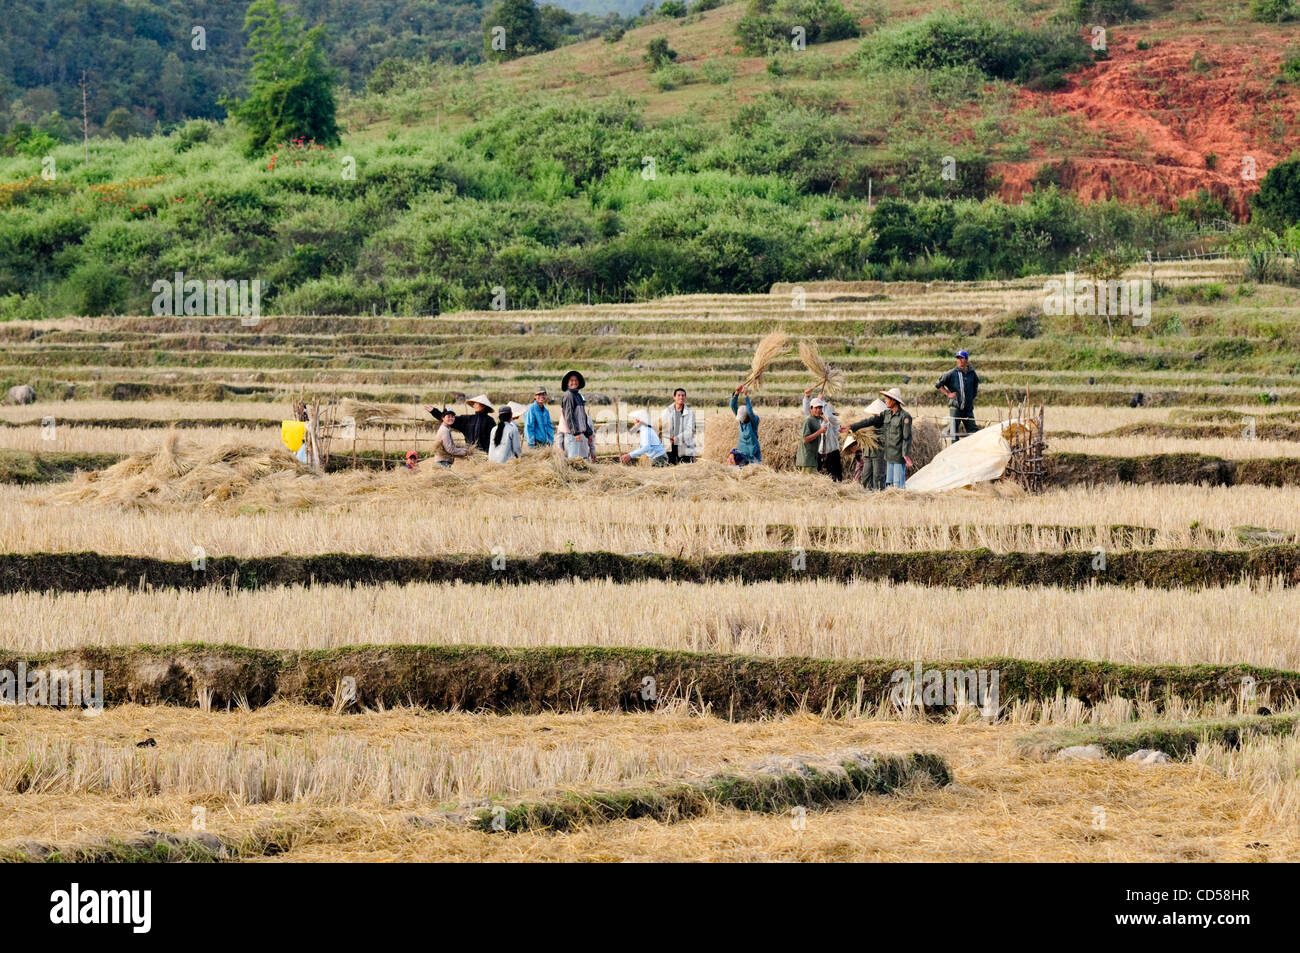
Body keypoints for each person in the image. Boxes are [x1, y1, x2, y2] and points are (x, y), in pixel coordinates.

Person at [843, 388, 912, 489]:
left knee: (895, 482)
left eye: (887, 398)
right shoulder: (886, 414)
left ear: (893, 400)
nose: (885, 400)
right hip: (887, 455)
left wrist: (905, 454)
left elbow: (906, 437)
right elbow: (870, 421)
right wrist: (852, 426)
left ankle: (895, 499)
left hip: (895, 455)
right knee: (888, 482)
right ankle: (879, 498)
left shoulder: (904, 416)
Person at [845, 398, 888, 491]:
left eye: (876, 413)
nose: (874, 415)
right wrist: (852, 428)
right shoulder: (872, 421)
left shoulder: (885, 423)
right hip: (868, 453)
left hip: (878, 454)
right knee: (865, 475)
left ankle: (879, 494)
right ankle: (865, 493)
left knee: (878, 476)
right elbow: (865, 423)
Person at [426, 394, 495, 452]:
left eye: (477, 403)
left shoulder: (490, 421)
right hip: (471, 453)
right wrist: (434, 411)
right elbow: (448, 420)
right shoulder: (467, 419)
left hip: (486, 454)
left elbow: (493, 438)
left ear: (483, 406)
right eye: (474, 403)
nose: (474, 405)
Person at [936, 350, 979, 441]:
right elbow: (938, 384)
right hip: (955, 408)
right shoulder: (952, 373)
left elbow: (975, 385)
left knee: (973, 433)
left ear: (966, 360)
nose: (959, 360)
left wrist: (971, 397)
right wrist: (948, 393)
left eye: (961, 358)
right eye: (958, 358)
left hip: (968, 409)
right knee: (954, 434)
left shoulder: (972, 373)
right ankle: (954, 453)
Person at [802, 388, 842, 481]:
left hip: (832, 453)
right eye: (818, 408)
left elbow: (828, 417)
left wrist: (821, 402)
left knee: (836, 479)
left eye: (821, 409)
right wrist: (807, 397)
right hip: (819, 453)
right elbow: (807, 411)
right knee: (817, 479)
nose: (820, 411)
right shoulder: (814, 421)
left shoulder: (833, 421)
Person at [557, 370, 596, 460]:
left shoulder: (578, 396)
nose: (574, 382)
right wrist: (575, 433)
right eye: (571, 380)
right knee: (574, 462)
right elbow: (569, 417)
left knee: (583, 462)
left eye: (576, 380)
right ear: (567, 383)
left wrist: (588, 434)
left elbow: (583, 418)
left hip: (580, 436)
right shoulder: (568, 395)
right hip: (573, 437)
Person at [660, 388, 696, 464]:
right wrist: (670, 437)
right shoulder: (666, 411)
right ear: (674, 397)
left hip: (684, 444)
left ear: (685, 398)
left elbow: (690, 431)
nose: (681, 397)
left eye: (683, 395)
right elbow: (664, 427)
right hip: (669, 444)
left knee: (686, 466)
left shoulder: (690, 413)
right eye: (678, 395)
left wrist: (677, 438)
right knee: (669, 465)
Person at [798, 396, 830, 473]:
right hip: (807, 459)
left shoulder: (817, 420)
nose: (818, 410)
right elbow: (805, 439)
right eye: (816, 408)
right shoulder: (808, 421)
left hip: (813, 459)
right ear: (811, 408)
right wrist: (820, 431)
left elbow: (827, 421)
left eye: (820, 408)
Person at [730, 385, 761, 464]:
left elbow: (750, 411)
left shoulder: (753, 421)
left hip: (752, 453)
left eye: (743, 419)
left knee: (756, 471)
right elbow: (733, 406)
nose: (741, 421)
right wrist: (737, 393)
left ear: (747, 417)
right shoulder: (741, 420)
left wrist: (746, 395)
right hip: (742, 452)